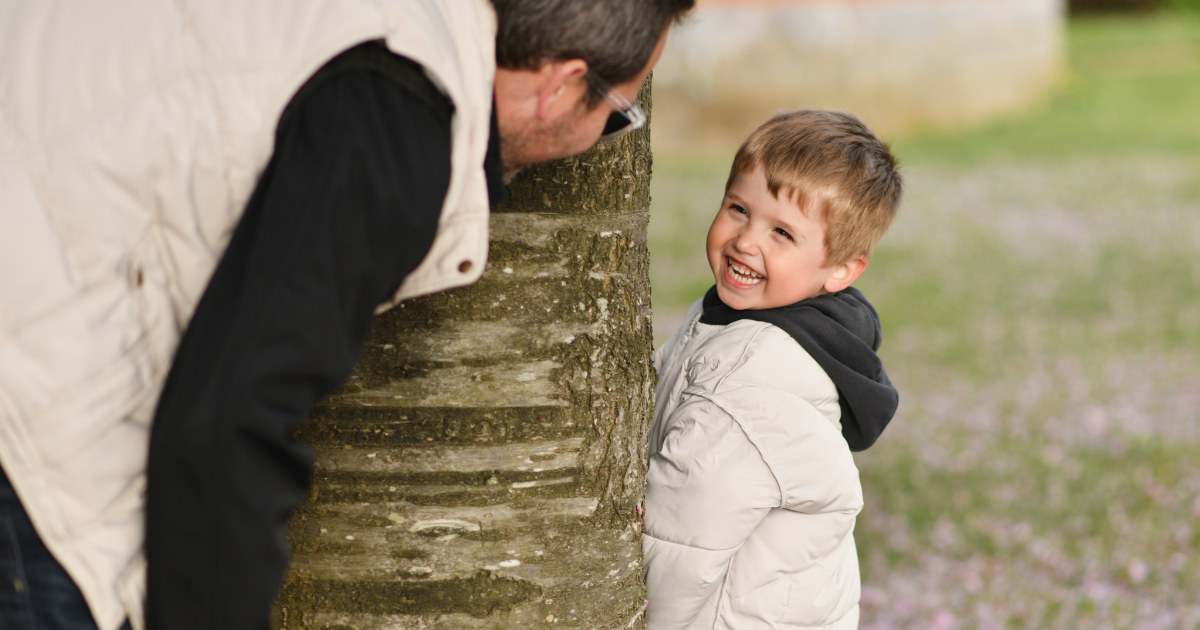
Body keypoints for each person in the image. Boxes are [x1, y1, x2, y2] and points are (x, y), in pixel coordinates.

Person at [0, 0, 693, 629]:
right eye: (617, 116)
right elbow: (226, 426)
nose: (607, 133)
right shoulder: (397, 112)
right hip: (31, 422)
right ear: (559, 86)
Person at [642, 109, 903, 630]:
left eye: (782, 233)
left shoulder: (752, 380)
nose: (746, 241)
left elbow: (678, 556)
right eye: (738, 208)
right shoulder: (741, 320)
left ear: (842, 270)